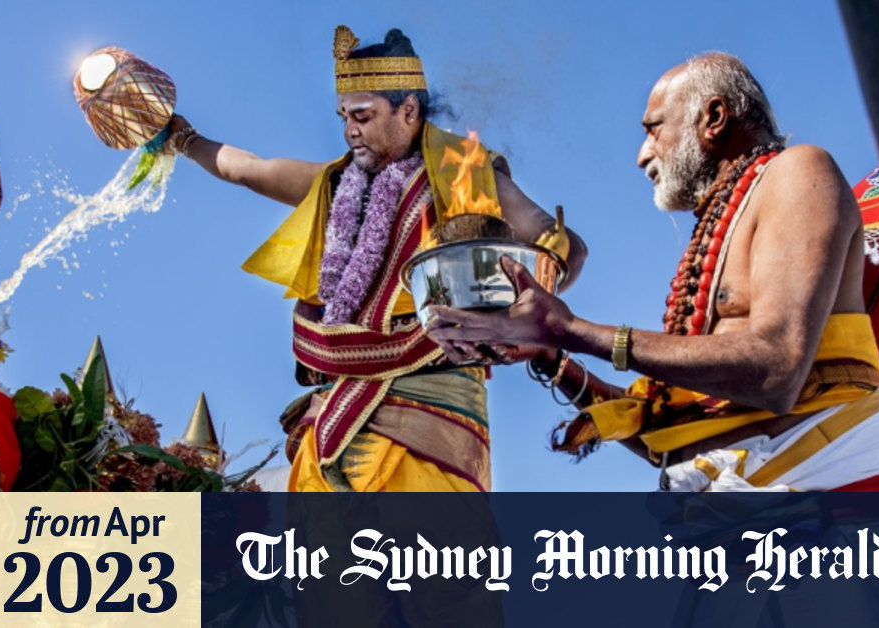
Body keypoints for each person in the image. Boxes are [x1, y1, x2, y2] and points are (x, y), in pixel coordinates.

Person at [425, 52, 879, 492]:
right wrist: (553, 357)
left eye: (653, 128)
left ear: (714, 116)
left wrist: (570, 328)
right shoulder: (713, 232)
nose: (643, 155)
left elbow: (777, 370)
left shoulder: (798, 171)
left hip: (840, 511)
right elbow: (669, 439)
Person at [168, 25, 586, 492]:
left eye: (363, 116)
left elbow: (563, 247)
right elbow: (248, 170)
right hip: (334, 412)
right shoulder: (335, 183)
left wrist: (521, 315)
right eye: (343, 116)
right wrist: (179, 138)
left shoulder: (465, 174)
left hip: (430, 420)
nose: (350, 130)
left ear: (408, 111)